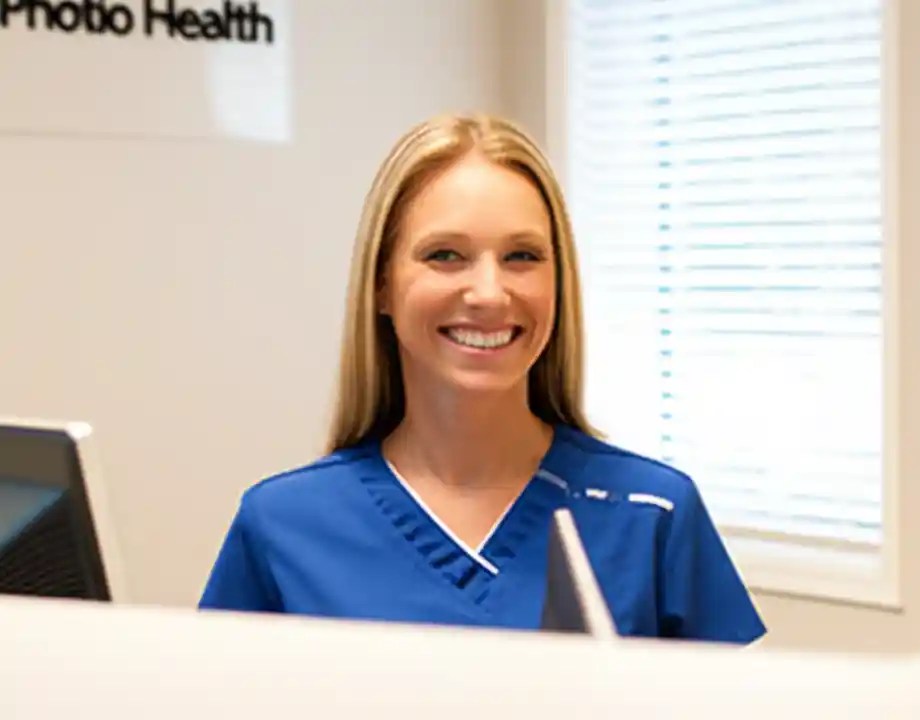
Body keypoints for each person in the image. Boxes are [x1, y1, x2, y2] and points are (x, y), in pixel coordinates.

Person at [198, 113, 766, 645]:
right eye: (445, 255)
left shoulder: (651, 514)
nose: (490, 294)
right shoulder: (283, 525)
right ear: (382, 285)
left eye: (522, 256)